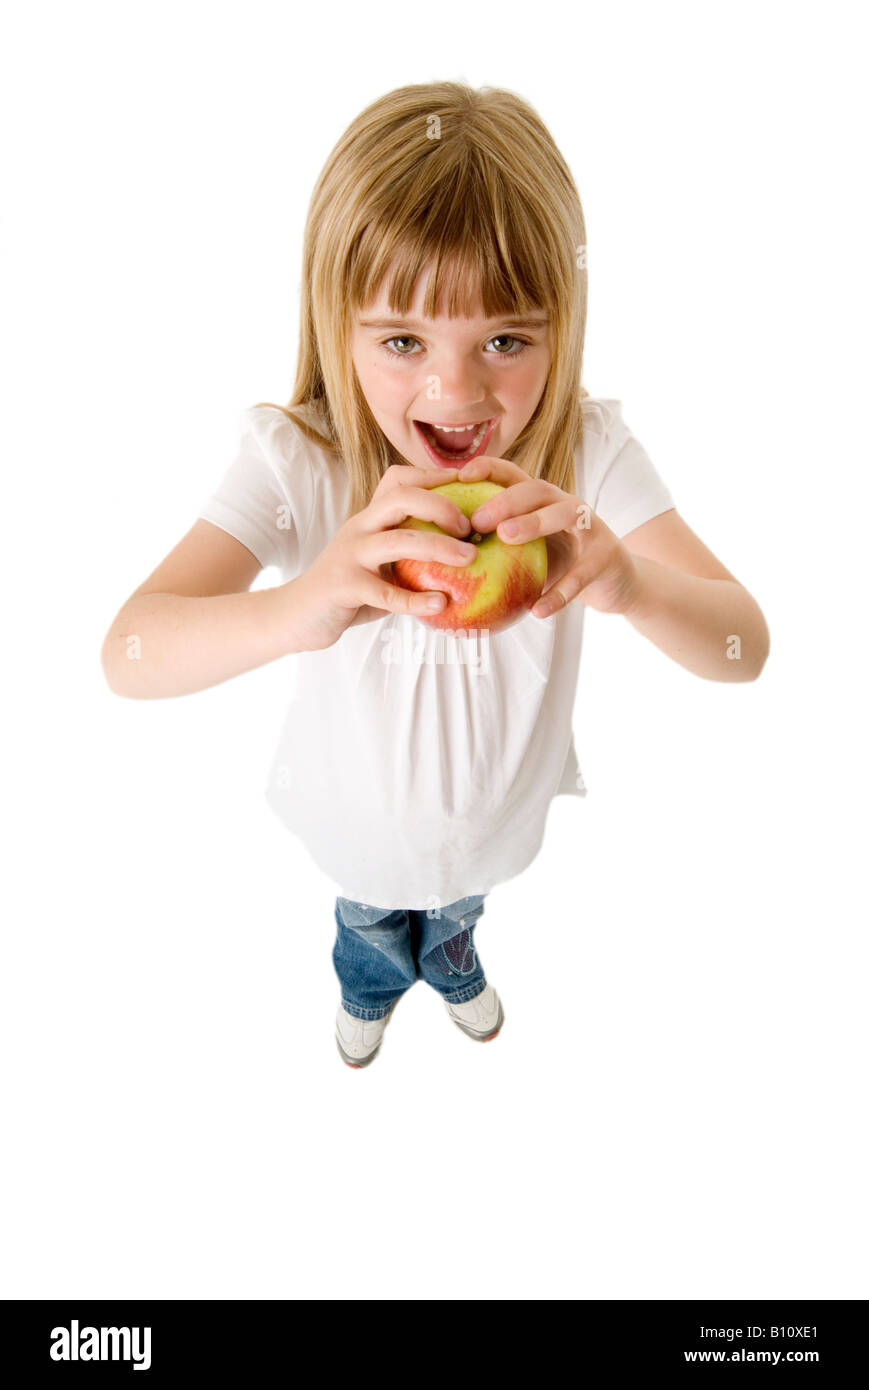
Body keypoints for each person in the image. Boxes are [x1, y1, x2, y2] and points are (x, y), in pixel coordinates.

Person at [100, 82, 770, 1069]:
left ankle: (452, 969)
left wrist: (628, 580)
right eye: (403, 340)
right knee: (369, 937)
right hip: (354, 844)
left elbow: (740, 644)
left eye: (503, 339)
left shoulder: (582, 460)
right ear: (338, 323)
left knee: (456, 923)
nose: (452, 391)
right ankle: (367, 996)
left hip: (494, 840)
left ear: (562, 324)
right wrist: (304, 600)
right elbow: (129, 652)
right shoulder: (303, 461)